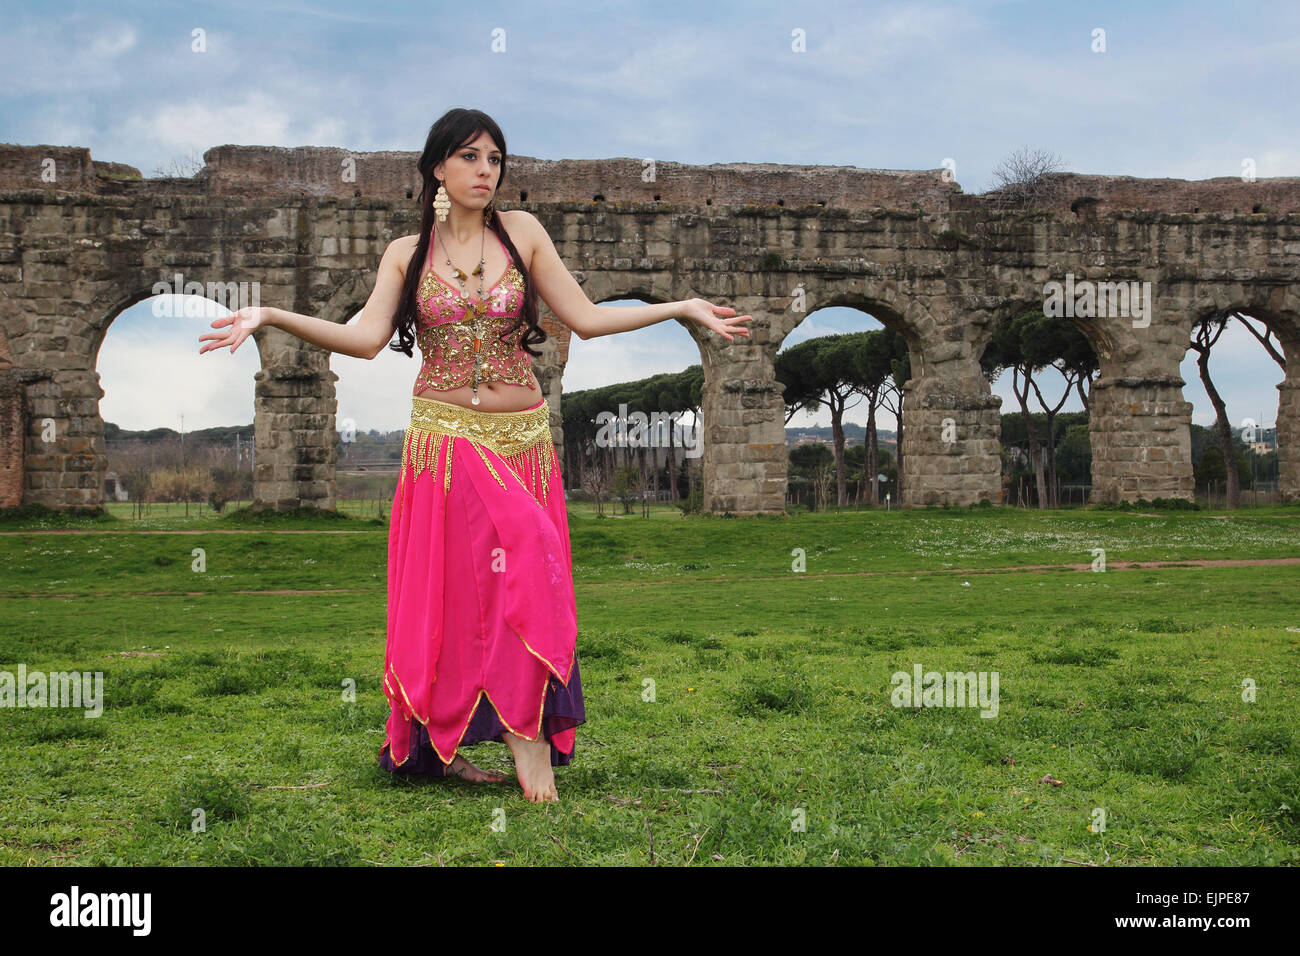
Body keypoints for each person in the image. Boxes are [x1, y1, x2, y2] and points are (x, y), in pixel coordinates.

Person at [199, 109, 752, 803]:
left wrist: (678, 307)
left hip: (524, 441)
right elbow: (366, 338)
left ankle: (500, 742)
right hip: (447, 443)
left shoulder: (522, 235)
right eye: (470, 156)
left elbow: (584, 317)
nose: (486, 169)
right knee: (467, 590)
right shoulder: (405, 253)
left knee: (524, 578)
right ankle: (501, 752)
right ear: (438, 167)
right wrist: (271, 316)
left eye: (495, 158)